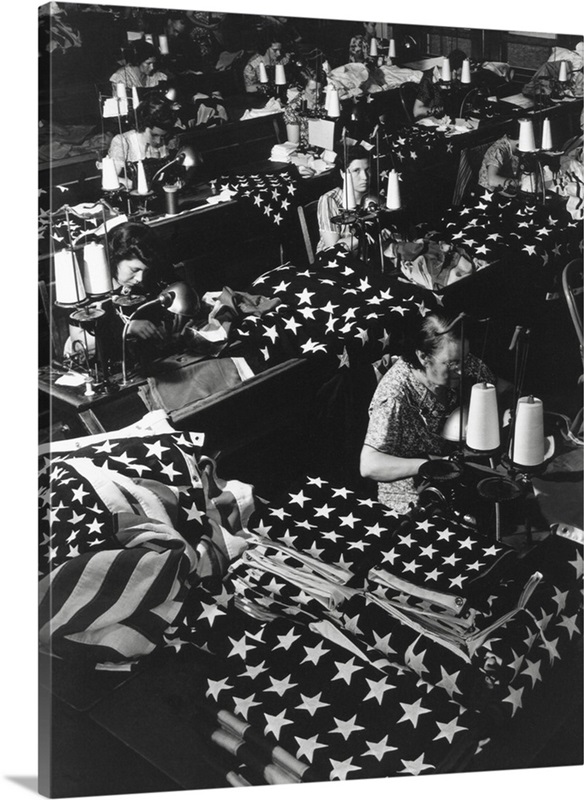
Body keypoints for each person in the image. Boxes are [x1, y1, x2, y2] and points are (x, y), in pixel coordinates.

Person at [360, 312, 509, 514]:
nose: (462, 370)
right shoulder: (395, 397)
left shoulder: (463, 363)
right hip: (414, 499)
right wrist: (433, 466)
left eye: (464, 359)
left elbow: (501, 388)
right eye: (452, 363)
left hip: (464, 477)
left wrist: (508, 413)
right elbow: (369, 464)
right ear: (423, 356)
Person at [107, 93, 177, 185]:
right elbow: (111, 179)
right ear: (143, 126)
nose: (159, 141)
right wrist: (133, 184)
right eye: (154, 135)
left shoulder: (162, 141)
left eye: (162, 136)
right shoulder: (122, 141)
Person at [316, 144, 374, 252]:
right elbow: (333, 248)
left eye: (367, 170)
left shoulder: (373, 198)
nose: (365, 177)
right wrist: (368, 235)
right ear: (343, 174)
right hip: (336, 261)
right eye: (356, 171)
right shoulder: (330, 200)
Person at [477, 121, 521, 192]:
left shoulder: (514, 148)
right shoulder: (499, 150)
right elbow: (492, 180)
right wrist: (519, 183)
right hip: (488, 193)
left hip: (504, 190)